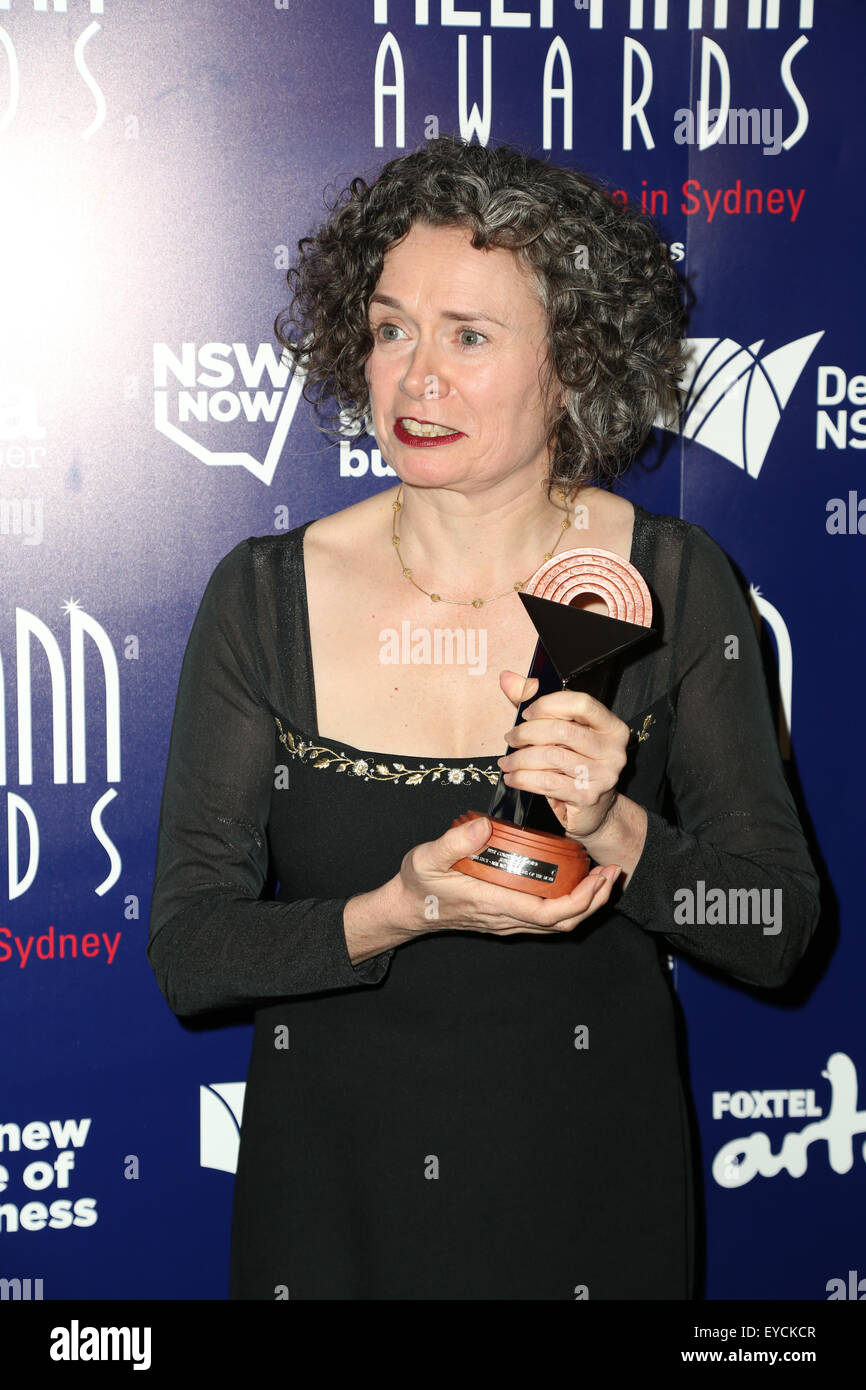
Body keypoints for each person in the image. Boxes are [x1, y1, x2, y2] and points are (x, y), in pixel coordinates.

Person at [147, 135, 820, 1300]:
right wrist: (393, 910)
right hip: (330, 1215)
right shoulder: (262, 593)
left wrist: (613, 827)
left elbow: (771, 930)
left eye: (468, 336)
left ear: (572, 365)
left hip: (589, 1211)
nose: (415, 379)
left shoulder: (672, 579)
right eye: (391, 327)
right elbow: (191, 953)